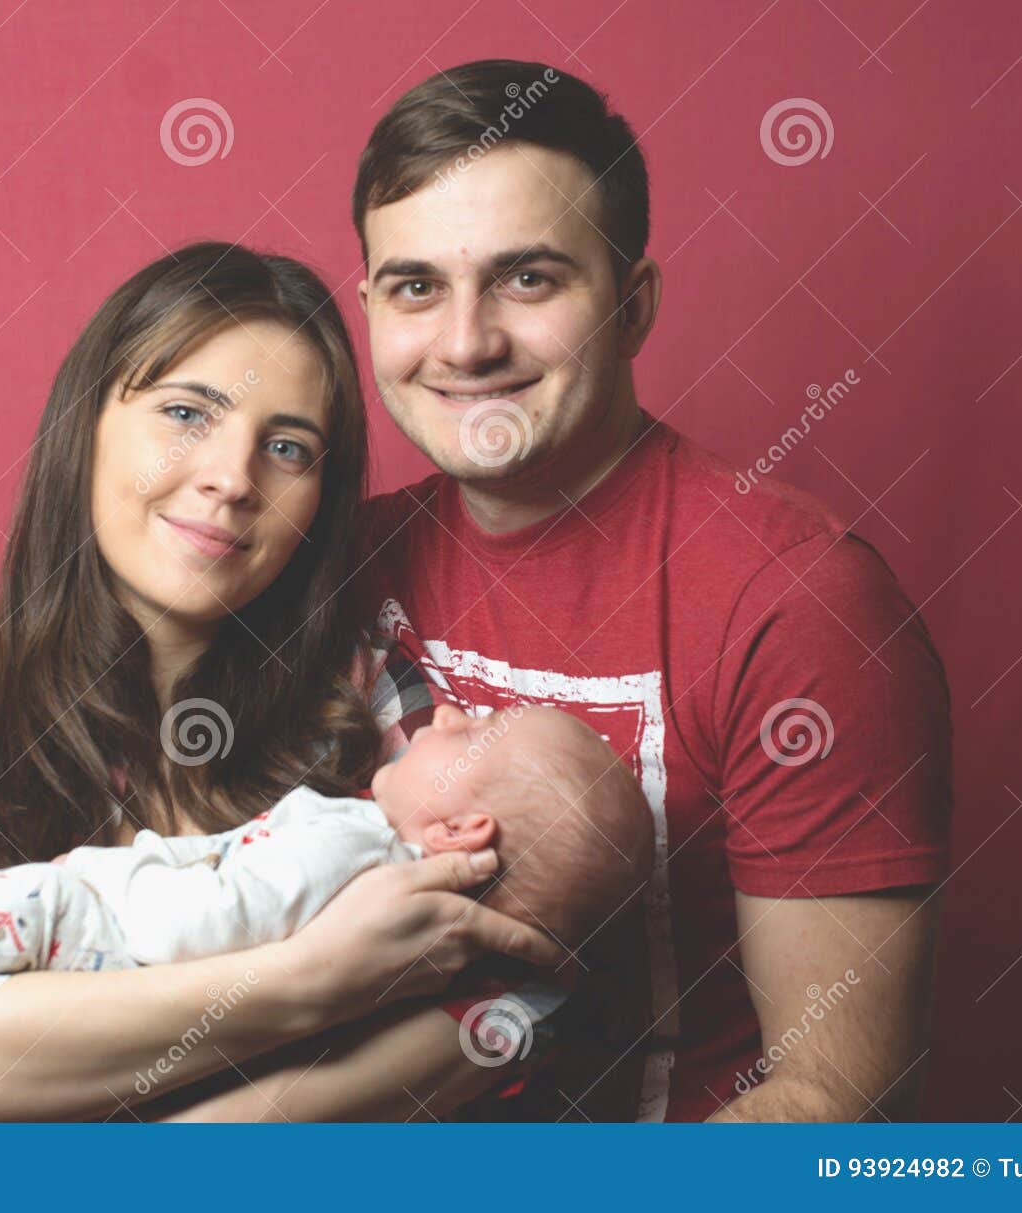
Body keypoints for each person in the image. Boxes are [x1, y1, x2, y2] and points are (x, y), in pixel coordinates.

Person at [0, 239, 643, 1123]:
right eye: (188, 414)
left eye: (286, 446)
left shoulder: (374, 701)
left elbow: (519, 988)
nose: (233, 479)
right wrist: (308, 982)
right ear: (84, 425)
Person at [346, 59, 953, 1121]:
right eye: (415, 287)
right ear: (368, 308)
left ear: (632, 305)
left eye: (527, 278)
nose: (464, 341)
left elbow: (832, 1099)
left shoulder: (796, 604)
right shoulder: (336, 562)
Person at [0, 703, 649, 1018]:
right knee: (1, 905)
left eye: (478, 733)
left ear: (461, 833)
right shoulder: (371, 857)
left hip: (125, 938)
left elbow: (214, 920)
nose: (449, 715)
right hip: (133, 935)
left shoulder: (355, 847)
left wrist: (122, 877)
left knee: (25, 905)